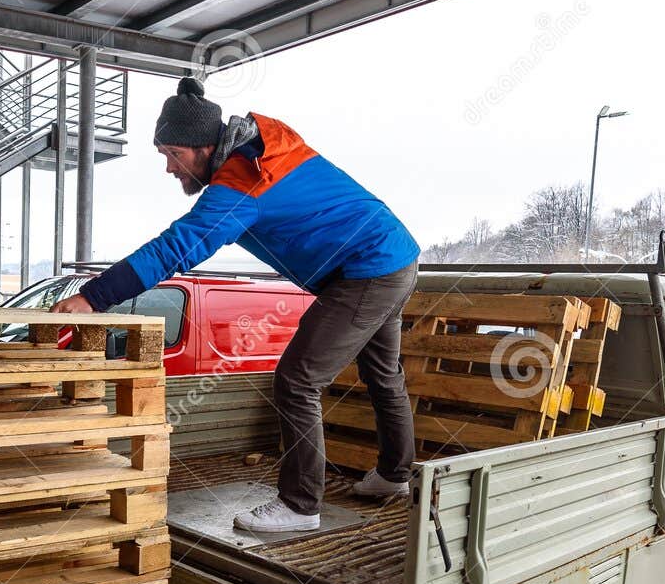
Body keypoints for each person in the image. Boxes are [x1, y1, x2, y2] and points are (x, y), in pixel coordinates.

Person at [53, 78, 420, 533]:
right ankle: (393, 476)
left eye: (174, 154)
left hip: (367, 268)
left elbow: (177, 247)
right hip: (394, 256)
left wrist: (94, 296)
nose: (169, 168)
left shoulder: (243, 181)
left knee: (297, 379)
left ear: (204, 147)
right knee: (383, 373)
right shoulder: (259, 153)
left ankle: (301, 506)